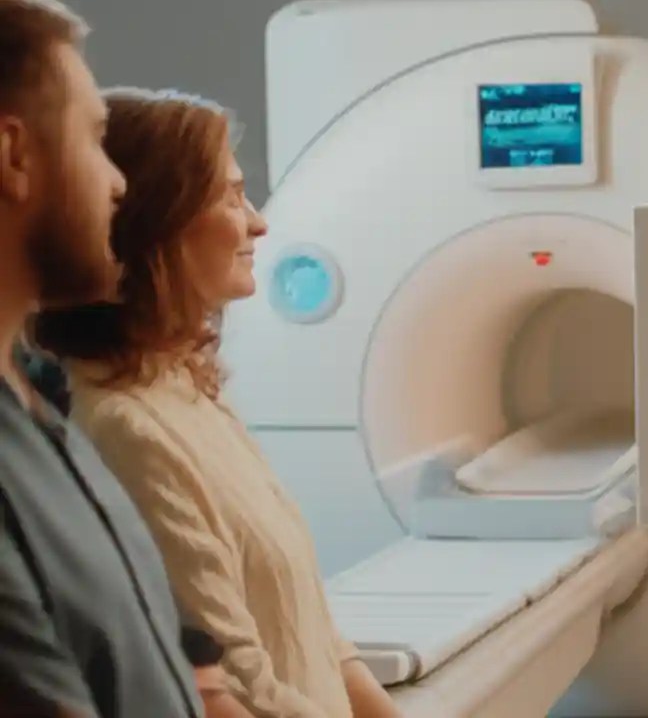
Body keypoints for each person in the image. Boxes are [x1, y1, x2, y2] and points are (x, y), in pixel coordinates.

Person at [31, 87, 403, 718]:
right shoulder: (126, 431)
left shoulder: (188, 392)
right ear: (159, 225)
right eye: (231, 196)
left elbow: (308, 623)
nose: (258, 221)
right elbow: (235, 685)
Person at [0, 0, 251, 717]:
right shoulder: (94, 425)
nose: (117, 185)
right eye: (93, 141)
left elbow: (177, 658)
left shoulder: (41, 406)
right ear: (14, 156)